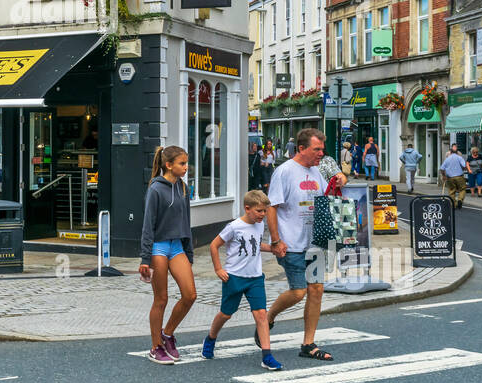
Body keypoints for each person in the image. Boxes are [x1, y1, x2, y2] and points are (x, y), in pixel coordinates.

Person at [261, 127, 347, 362]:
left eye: (322, 149)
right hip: (290, 243)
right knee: (298, 292)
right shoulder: (285, 171)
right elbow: (272, 207)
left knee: (316, 290)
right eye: (316, 149)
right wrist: (276, 240)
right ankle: (268, 317)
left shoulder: (317, 172)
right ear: (301, 148)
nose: (321, 153)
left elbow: (326, 198)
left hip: (315, 242)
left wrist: (339, 181)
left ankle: (308, 343)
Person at [202, 190, 284, 370]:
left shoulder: (259, 225)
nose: (263, 214)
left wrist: (272, 249)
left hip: (255, 278)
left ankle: (267, 356)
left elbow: (253, 244)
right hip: (234, 278)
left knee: (261, 314)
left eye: (265, 211)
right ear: (247, 208)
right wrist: (218, 269)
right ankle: (210, 338)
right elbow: (214, 245)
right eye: (260, 211)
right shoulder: (234, 226)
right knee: (226, 314)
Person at [138, 145, 196, 364]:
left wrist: (188, 252)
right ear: (168, 165)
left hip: (177, 246)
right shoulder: (155, 189)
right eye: (182, 163)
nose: (186, 167)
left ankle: (168, 333)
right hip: (158, 247)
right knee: (161, 298)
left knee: (190, 295)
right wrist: (145, 259)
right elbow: (147, 224)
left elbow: (186, 222)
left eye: (186, 163)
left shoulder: (183, 188)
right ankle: (155, 347)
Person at [440, 144, 468, 209]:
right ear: (457, 152)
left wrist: (444, 176)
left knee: (452, 191)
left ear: (450, 152)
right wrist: (463, 169)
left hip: (450, 178)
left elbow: (442, 169)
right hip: (459, 177)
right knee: (462, 189)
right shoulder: (459, 157)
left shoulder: (447, 159)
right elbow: (464, 166)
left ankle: (453, 204)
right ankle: (460, 200)